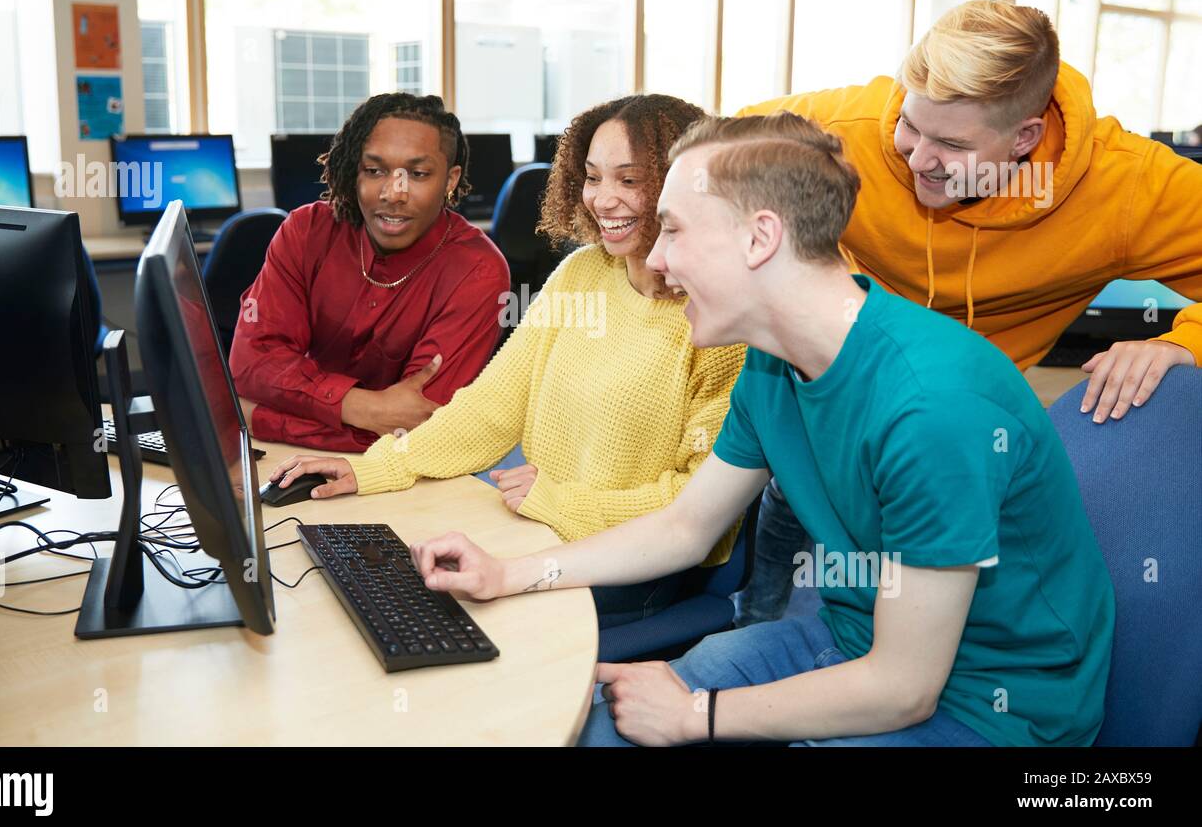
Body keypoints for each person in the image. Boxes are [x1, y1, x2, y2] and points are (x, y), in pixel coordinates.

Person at [407, 113, 1115, 747]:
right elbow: (685, 527)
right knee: (593, 728)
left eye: (676, 230)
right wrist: (510, 574)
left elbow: (905, 689)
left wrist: (695, 717)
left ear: (760, 238)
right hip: (847, 635)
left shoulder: (932, 408)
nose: (655, 258)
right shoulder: (774, 365)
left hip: (989, 710)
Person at [734, 0, 1202, 624]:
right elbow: (704, 171)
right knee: (774, 608)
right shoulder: (841, 126)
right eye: (910, 124)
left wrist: (1183, 342)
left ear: (1025, 138)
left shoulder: (1126, 187)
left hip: (962, 445)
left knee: (914, 629)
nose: (918, 157)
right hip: (829, 424)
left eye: (952, 144)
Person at [266, 95, 748, 627]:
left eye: (630, 181)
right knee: (369, 590)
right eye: (591, 177)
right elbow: (492, 406)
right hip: (533, 527)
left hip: (625, 568)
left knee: (436, 623)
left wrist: (562, 504)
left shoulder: (720, 323)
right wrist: (374, 468)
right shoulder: (582, 274)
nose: (603, 199)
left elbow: (698, 507)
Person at [229, 93, 510, 452]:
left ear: (450, 180)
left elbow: (420, 427)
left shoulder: (478, 271)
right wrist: (363, 407)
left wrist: (260, 418)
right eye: (374, 170)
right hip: (290, 460)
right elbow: (251, 363)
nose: (394, 193)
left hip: (406, 481)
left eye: (419, 174)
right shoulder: (306, 231)